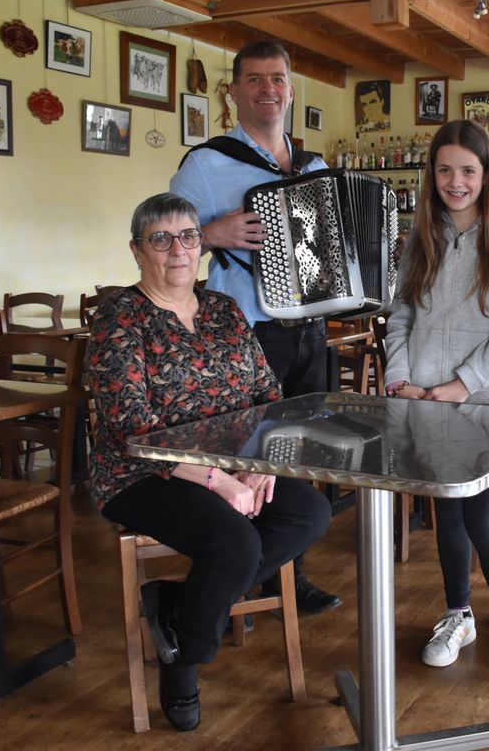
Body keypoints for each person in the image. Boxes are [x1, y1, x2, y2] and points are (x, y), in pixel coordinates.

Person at [87, 193, 332, 732]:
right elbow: (131, 427)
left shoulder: (223, 309)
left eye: (190, 236)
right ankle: (184, 666)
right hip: (142, 473)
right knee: (234, 545)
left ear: (202, 245)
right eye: (161, 238)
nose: (179, 249)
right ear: (137, 250)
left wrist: (262, 463)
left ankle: (178, 608)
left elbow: (268, 395)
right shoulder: (119, 315)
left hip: (234, 463)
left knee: (310, 512)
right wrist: (219, 480)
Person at [170, 40, 342, 616]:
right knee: (245, 455)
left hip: (310, 331)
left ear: (291, 90)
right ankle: (230, 573)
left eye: (277, 79)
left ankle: (285, 574)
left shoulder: (315, 167)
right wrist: (211, 235)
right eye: (254, 79)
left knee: (302, 457)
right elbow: (164, 242)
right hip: (245, 332)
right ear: (235, 91)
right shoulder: (206, 163)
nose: (268, 88)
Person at [384, 119, 489, 674]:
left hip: (482, 402)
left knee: (480, 514)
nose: (456, 181)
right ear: (432, 174)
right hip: (422, 399)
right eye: (445, 169)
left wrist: (463, 384)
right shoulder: (418, 240)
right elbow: (400, 315)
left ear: (485, 175)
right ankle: (458, 614)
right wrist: (400, 378)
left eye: (468, 171)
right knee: (446, 515)